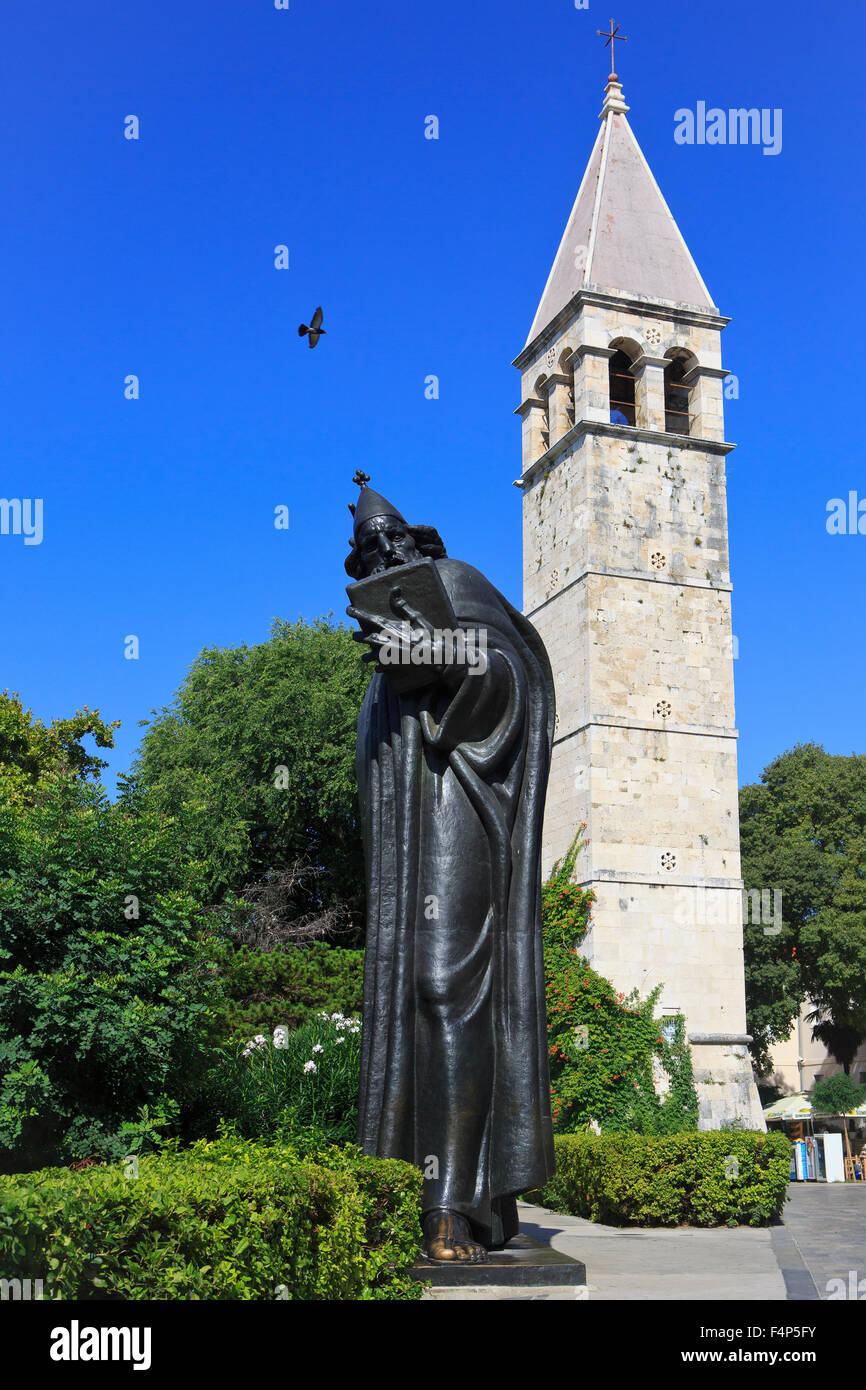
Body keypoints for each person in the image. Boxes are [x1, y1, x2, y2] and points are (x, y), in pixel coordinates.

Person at [345, 475, 556, 1263]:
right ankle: (442, 1199)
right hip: (412, 836)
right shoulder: (378, 634)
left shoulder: (458, 585)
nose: (379, 554)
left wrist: (443, 657)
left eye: (388, 544)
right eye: (367, 552)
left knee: (445, 986)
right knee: (414, 999)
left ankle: (451, 1204)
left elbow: (514, 673)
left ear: (417, 544)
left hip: (464, 802)